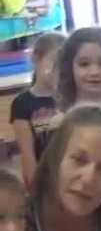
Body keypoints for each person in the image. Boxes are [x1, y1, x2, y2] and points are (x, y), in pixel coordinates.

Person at [10, 31, 65, 187]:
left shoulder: (68, 98)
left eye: (63, 64)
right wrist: (35, 189)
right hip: (44, 179)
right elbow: (27, 155)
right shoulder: (22, 102)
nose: (58, 69)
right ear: (36, 59)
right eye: (53, 62)